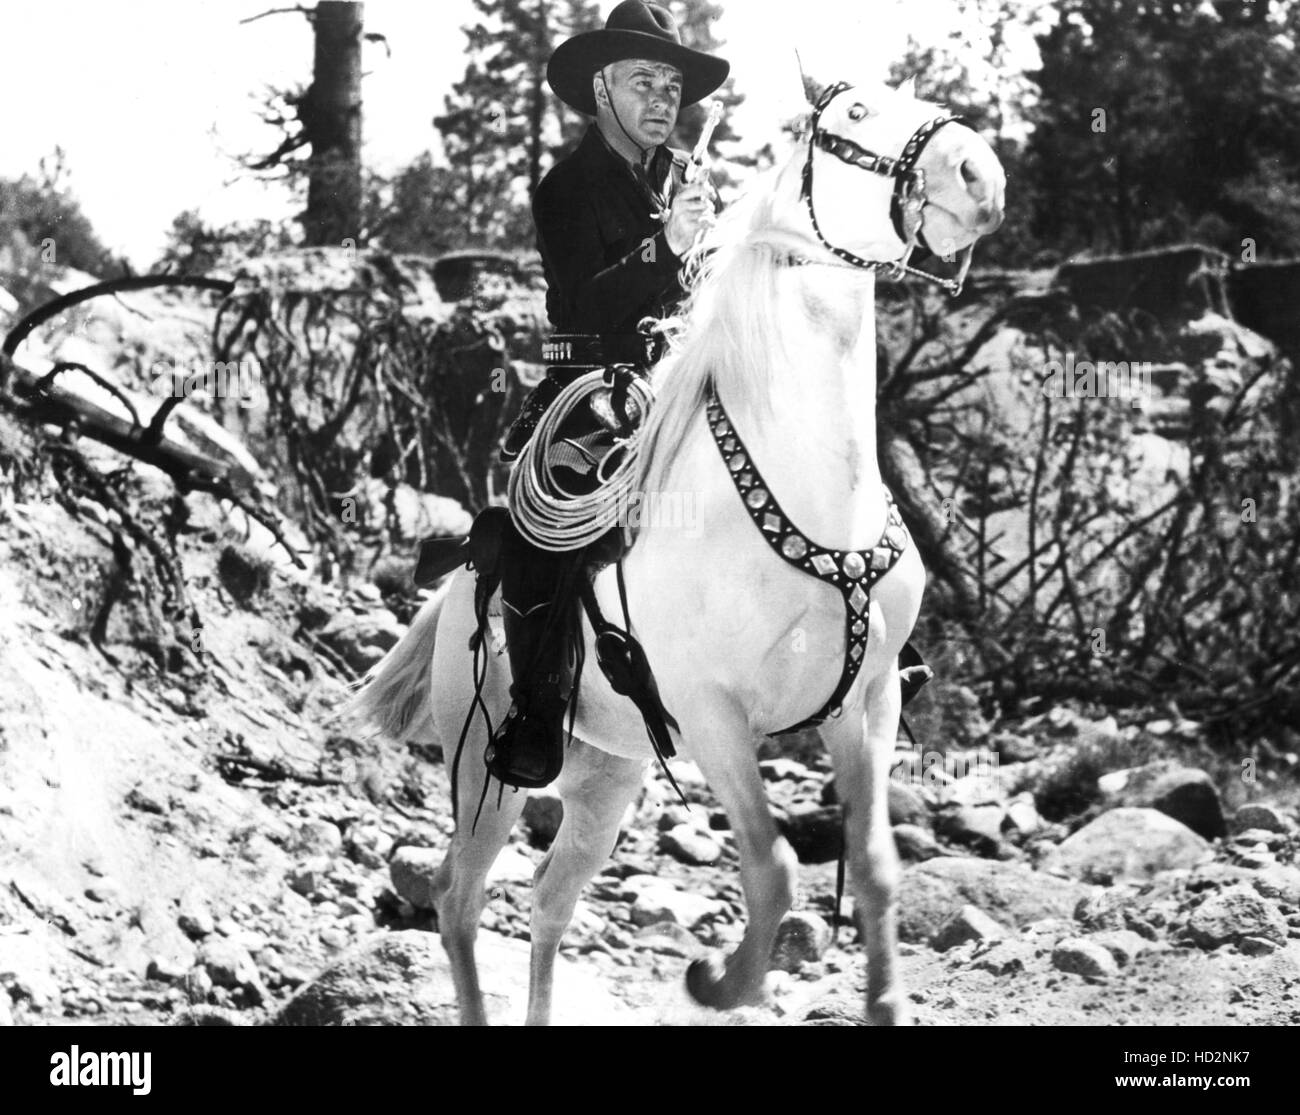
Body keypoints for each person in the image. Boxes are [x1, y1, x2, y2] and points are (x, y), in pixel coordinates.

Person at [483, 0, 729, 790]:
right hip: (589, 385)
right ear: (600, 89)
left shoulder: (679, 180)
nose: (663, 99)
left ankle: (862, 637)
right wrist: (670, 245)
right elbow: (584, 305)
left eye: (671, 84)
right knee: (545, 522)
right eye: (642, 82)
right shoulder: (565, 187)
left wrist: (705, 254)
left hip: (673, 373)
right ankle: (537, 704)